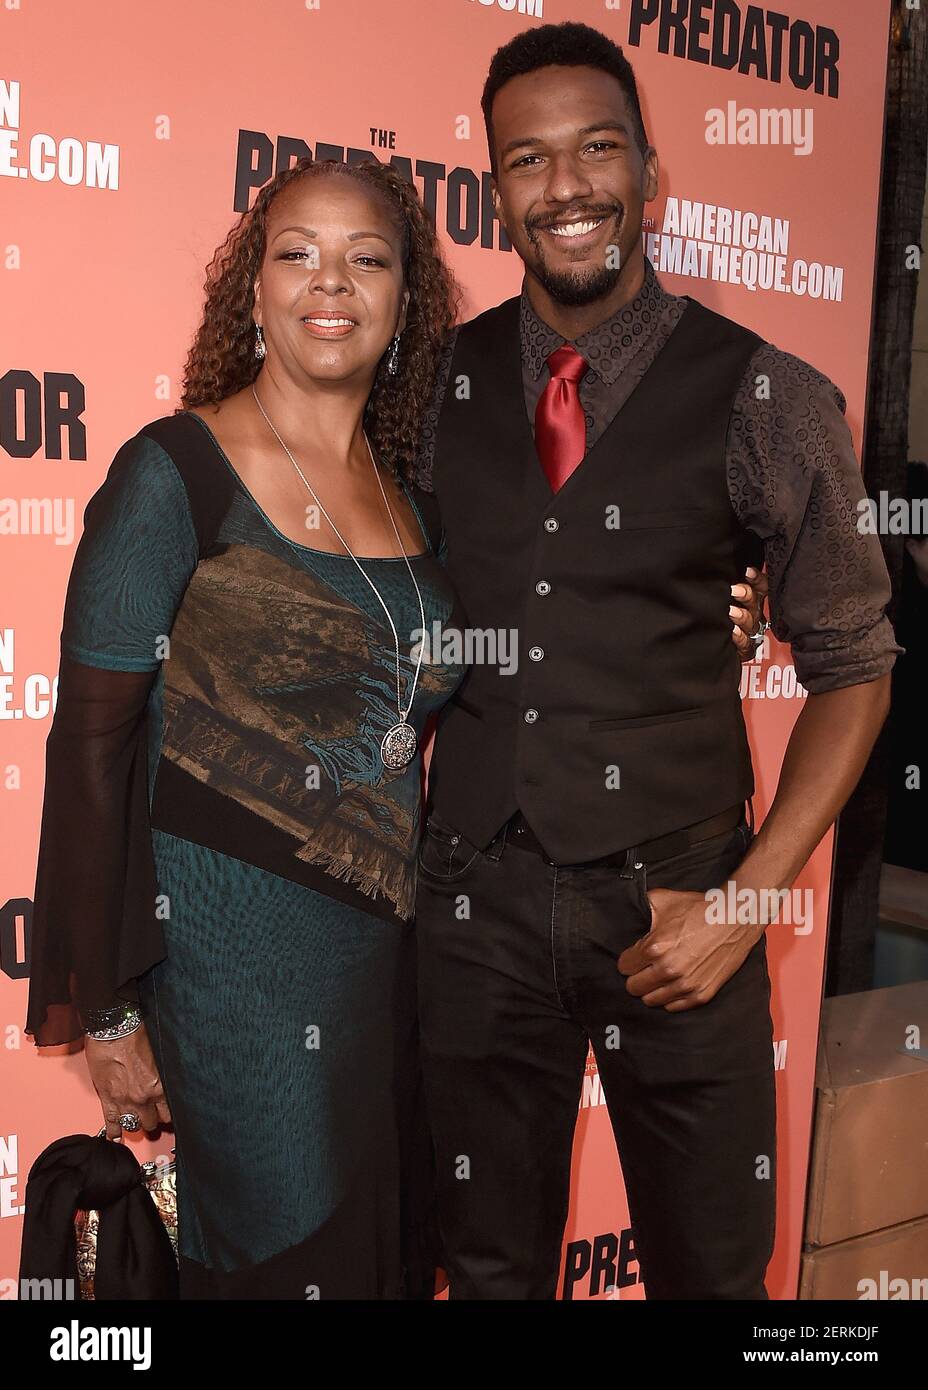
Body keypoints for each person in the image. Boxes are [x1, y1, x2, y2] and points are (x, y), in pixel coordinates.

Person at [412, 22, 901, 1300]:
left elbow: (855, 661)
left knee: (717, 1276)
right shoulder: (430, 387)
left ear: (650, 174)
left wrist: (748, 901)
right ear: (494, 189)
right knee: (483, 1266)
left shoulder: (769, 397)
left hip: (683, 903)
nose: (565, 186)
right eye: (529, 159)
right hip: (472, 903)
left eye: (596, 149)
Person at [24, 156, 467, 1300]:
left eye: (368, 258)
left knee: (372, 1257)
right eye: (298, 253)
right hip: (232, 971)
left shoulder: (407, 488)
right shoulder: (173, 475)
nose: (333, 282)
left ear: (405, 300)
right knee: (278, 1258)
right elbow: (88, 748)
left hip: (383, 966)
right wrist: (108, 1009)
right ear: (254, 289)